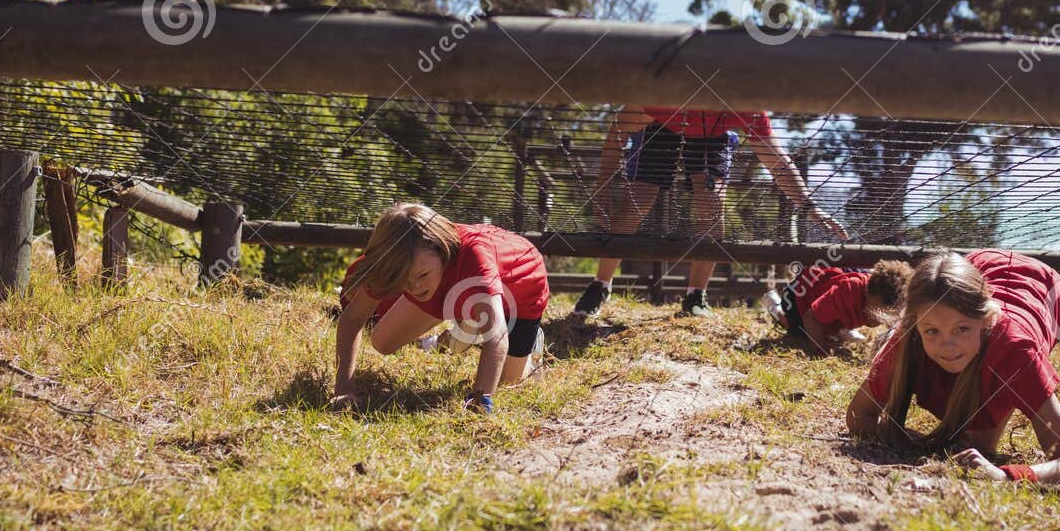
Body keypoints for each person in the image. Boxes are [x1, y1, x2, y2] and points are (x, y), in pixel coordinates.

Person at [573, 106, 848, 319]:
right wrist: (603, 187)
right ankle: (601, 284)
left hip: (713, 134)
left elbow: (778, 162)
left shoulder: (747, 105)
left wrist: (811, 207)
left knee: (712, 202)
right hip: (661, 127)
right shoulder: (660, 98)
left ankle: (695, 296)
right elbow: (616, 133)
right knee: (639, 199)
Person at [844, 250, 1060, 486]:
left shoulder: (1016, 353)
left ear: (986, 321)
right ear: (915, 325)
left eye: (962, 329)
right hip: (980, 265)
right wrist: (916, 441)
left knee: (981, 445)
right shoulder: (907, 339)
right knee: (967, 442)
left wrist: (1006, 477)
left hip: (1043, 288)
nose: (948, 345)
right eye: (932, 331)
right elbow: (857, 415)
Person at [334, 203, 549, 414]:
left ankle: (528, 347)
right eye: (405, 281)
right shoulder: (396, 259)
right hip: (459, 290)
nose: (415, 287)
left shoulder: (475, 256)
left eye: (422, 275)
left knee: (509, 382)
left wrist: (479, 402)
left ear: (442, 250)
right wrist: (344, 388)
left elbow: (497, 336)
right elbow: (351, 320)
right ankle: (469, 323)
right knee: (382, 342)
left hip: (518, 293)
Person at [768, 259, 911, 355]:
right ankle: (774, 307)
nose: (880, 319)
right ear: (867, 292)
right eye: (878, 311)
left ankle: (837, 331)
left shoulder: (887, 299)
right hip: (798, 298)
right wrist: (819, 349)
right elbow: (810, 317)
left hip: (828, 309)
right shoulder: (848, 291)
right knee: (800, 333)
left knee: (827, 329)